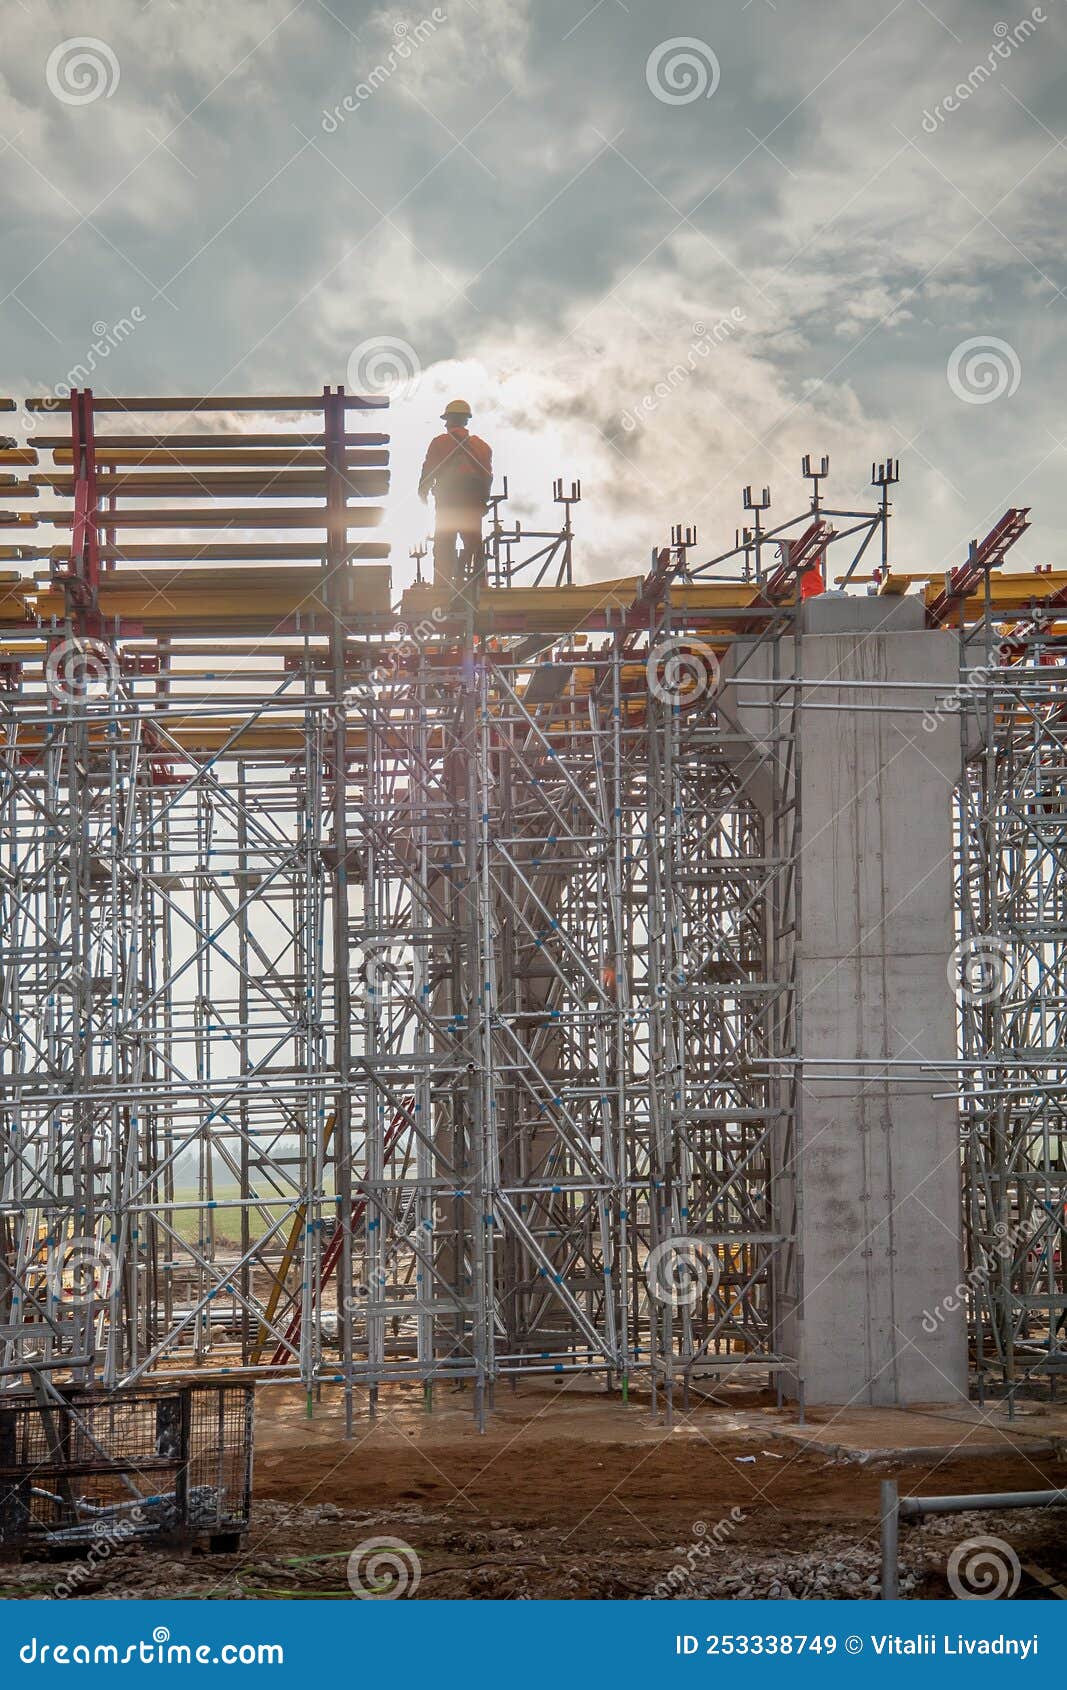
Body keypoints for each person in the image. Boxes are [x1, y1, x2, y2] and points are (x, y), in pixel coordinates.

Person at [418, 400, 493, 590]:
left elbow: (428, 470)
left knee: (444, 544)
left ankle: (442, 587)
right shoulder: (482, 446)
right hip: (471, 505)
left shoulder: (439, 443)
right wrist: (483, 502)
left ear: (449, 421)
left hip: (447, 504)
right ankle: (480, 586)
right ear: (466, 421)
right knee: (474, 545)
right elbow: (487, 477)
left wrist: (423, 492)